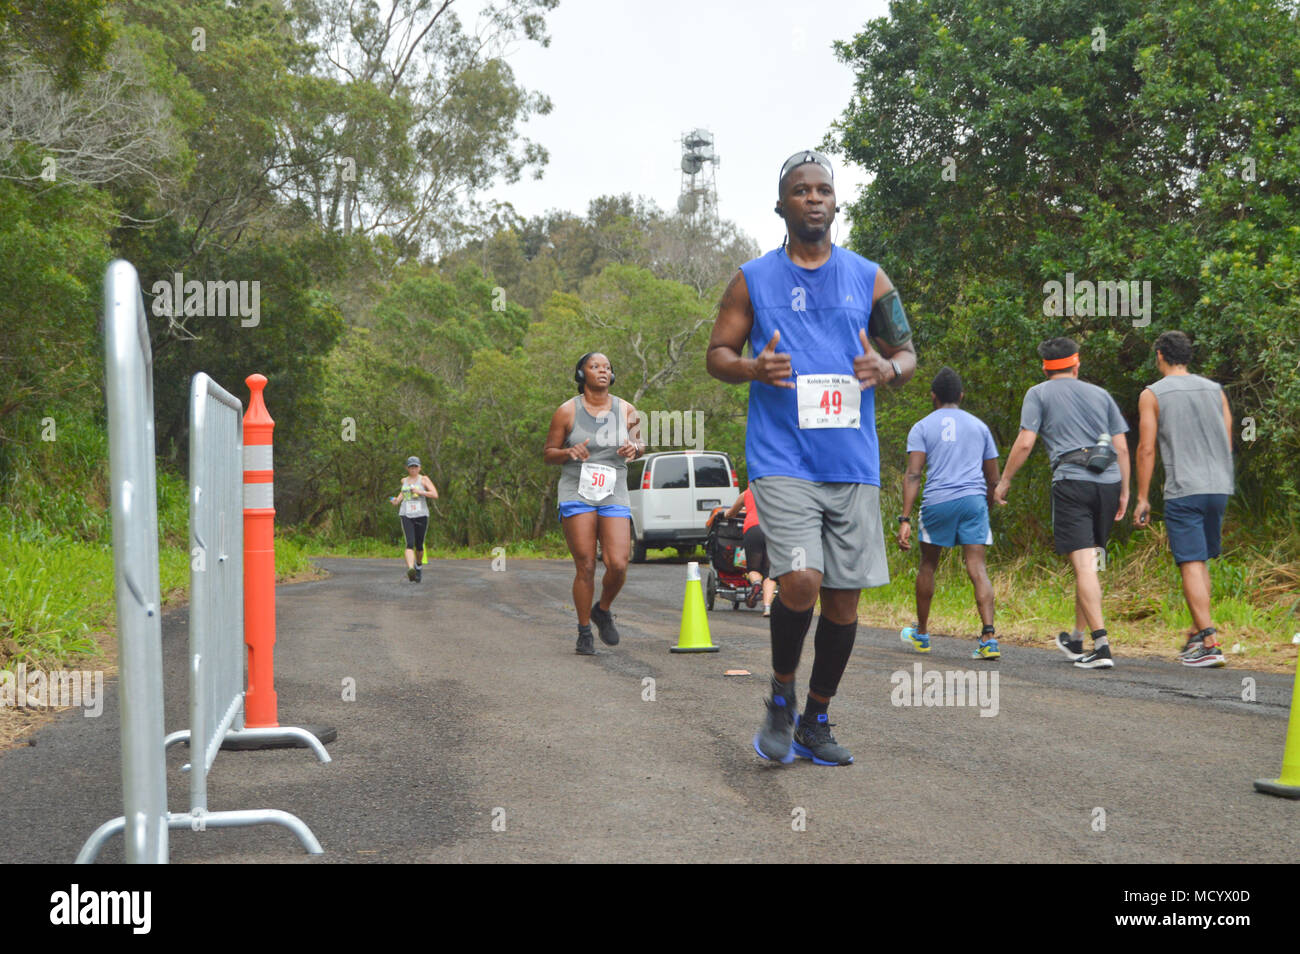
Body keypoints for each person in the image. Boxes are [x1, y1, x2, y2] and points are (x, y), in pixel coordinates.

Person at [707, 148, 916, 766]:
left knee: (844, 600)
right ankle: (779, 694)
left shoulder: (870, 277)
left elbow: (906, 351)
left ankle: (816, 719)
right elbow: (716, 353)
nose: (814, 197)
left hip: (851, 462)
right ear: (782, 205)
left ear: (836, 202)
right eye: (801, 190)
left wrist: (888, 367)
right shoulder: (752, 278)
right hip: (782, 459)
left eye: (823, 188)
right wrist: (749, 366)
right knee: (801, 579)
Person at [994, 337, 1130, 670]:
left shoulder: (1038, 393)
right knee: (1091, 563)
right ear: (1076, 363)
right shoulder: (1101, 395)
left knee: (1084, 565)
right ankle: (1077, 638)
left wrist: (1005, 480)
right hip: (1109, 479)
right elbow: (1122, 448)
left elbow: (1026, 443)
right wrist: (1125, 491)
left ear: (1044, 367)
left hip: (1072, 479)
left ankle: (1101, 646)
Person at [1134, 330, 1234, 668]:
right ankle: (1196, 632)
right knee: (1201, 558)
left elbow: (1146, 448)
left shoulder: (1153, 394)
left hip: (1184, 488)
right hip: (1219, 485)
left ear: (1160, 355)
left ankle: (1209, 641)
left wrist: (1143, 496)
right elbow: (1228, 437)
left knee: (1190, 561)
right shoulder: (1215, 390)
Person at [543, 352, 644, 655]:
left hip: (613, 489)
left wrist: (633, 448)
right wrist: (567, 453)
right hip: (578, 489)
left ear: (611, 377)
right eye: (595, 366)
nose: (602, 370)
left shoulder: (627, 409)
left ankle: (603, 608)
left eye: (607, 367)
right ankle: (584, 630)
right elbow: (549, 452)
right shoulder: (566, 412)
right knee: (586, 564)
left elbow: (641, 443)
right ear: (581, 373)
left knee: (618, 562)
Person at [897, 367, 1001, 659]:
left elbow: (914, 474)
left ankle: (923, 633)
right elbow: (993, 478)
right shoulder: (980, 427)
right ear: (961, 396)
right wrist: (986, 507)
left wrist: (905, 518)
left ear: (933, 397)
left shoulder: (922, 427)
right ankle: (989, 637)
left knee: (928, 564)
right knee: (977, 566)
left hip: (937, 502)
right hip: (973, 500)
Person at [725, 484, 776, 615]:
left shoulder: (747, 493)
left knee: (753, 569)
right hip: (772, 530)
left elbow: (731, 513)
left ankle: (756, 583)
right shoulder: (776, 491)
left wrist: (726, 514)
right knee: (769, 573)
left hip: (753, 529)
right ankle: (767, 608)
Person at [389, 456, 438, 582]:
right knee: (409, 543)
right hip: (406, 514)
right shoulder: (404, 480)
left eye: (415, 466)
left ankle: (418, 566)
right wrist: (396, 501)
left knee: (419, 545)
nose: (413, 469)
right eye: (411, 467)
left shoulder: (424, 479)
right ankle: (411, 569)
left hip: (421, 514)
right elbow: (402, 494)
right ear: (407, 468)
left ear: (419, 467)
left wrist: (420, 492)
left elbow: (435, 494)